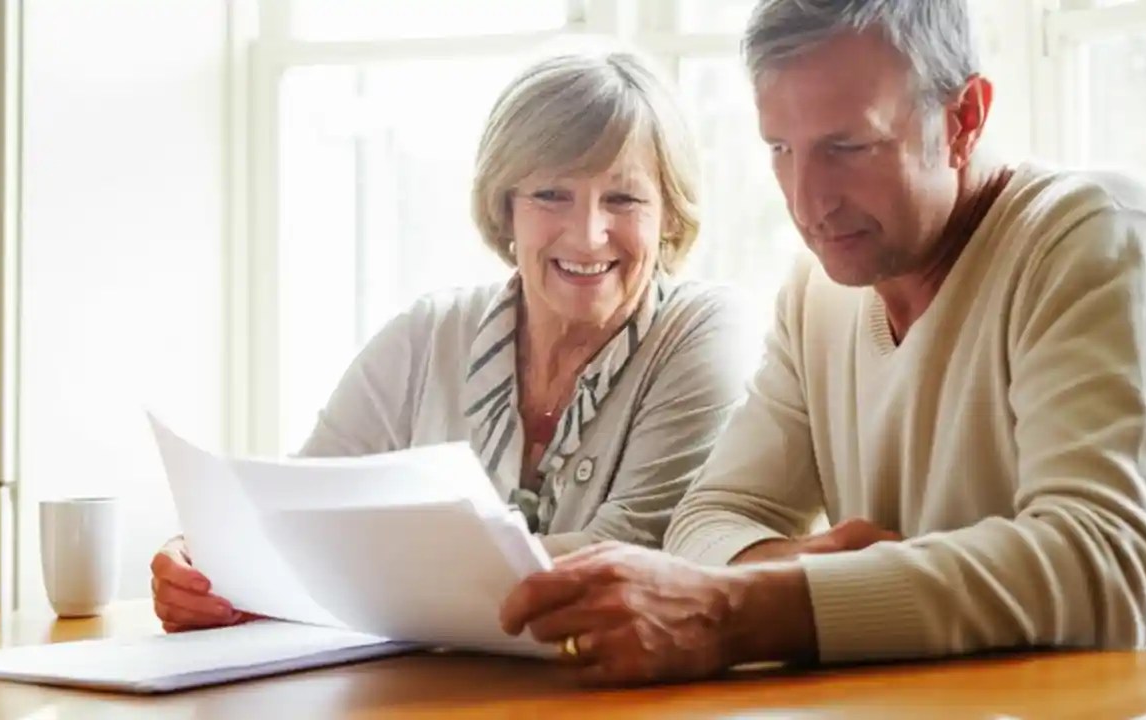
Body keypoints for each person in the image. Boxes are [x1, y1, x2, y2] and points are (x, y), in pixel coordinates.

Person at [499, 0, 1146, 685]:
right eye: (781, 149)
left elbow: (1100, 569)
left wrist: (736, 608)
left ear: (964, 120)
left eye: (849, 148)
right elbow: (708, 520)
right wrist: (810, 574)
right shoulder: (819, 294)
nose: (808, 203)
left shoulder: (1100, 239)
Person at [149, 50, 753, 633]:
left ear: (669, 216)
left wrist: (331, 575)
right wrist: (208, 562)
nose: (589, 234)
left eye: (623, 198)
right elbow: (292, 517)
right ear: (505, 207)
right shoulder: (426, 335)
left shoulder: (703, 333)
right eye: (551, 194)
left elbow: (626, 555)